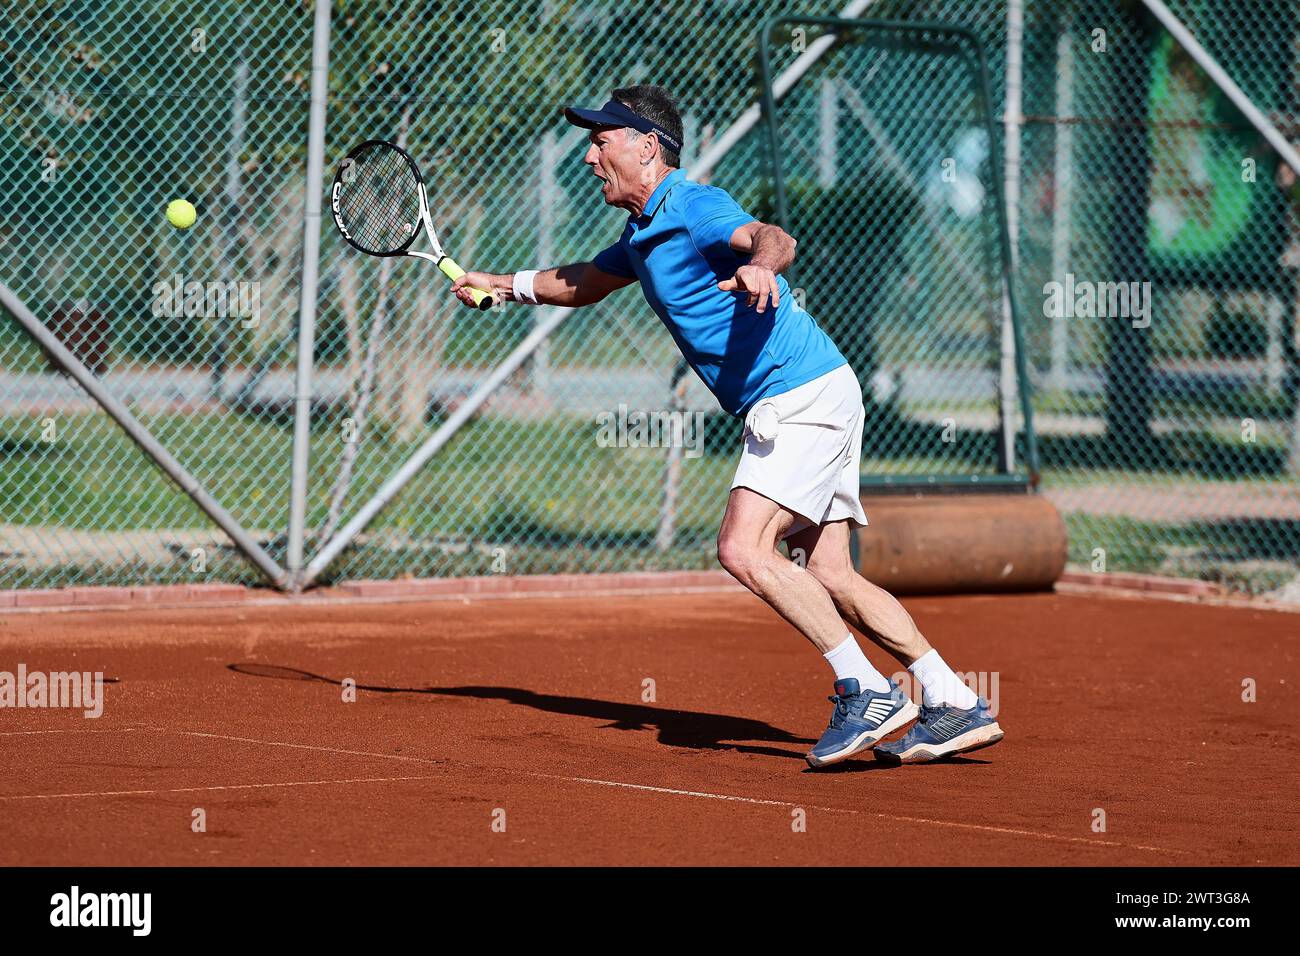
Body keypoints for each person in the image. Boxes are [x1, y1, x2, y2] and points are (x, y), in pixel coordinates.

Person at [451, 84, 1002, 766]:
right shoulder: (643, 235)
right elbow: (584, 282)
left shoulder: (692, 206)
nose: (590, 157)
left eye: (601, 142)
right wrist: (499, 284)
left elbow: (772, 237)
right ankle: (954, 701)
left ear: (647, 148)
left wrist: (760, 268)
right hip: (823, 388)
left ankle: (865, 689)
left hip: (795, 395)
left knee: (743, 549)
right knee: (830, 573)